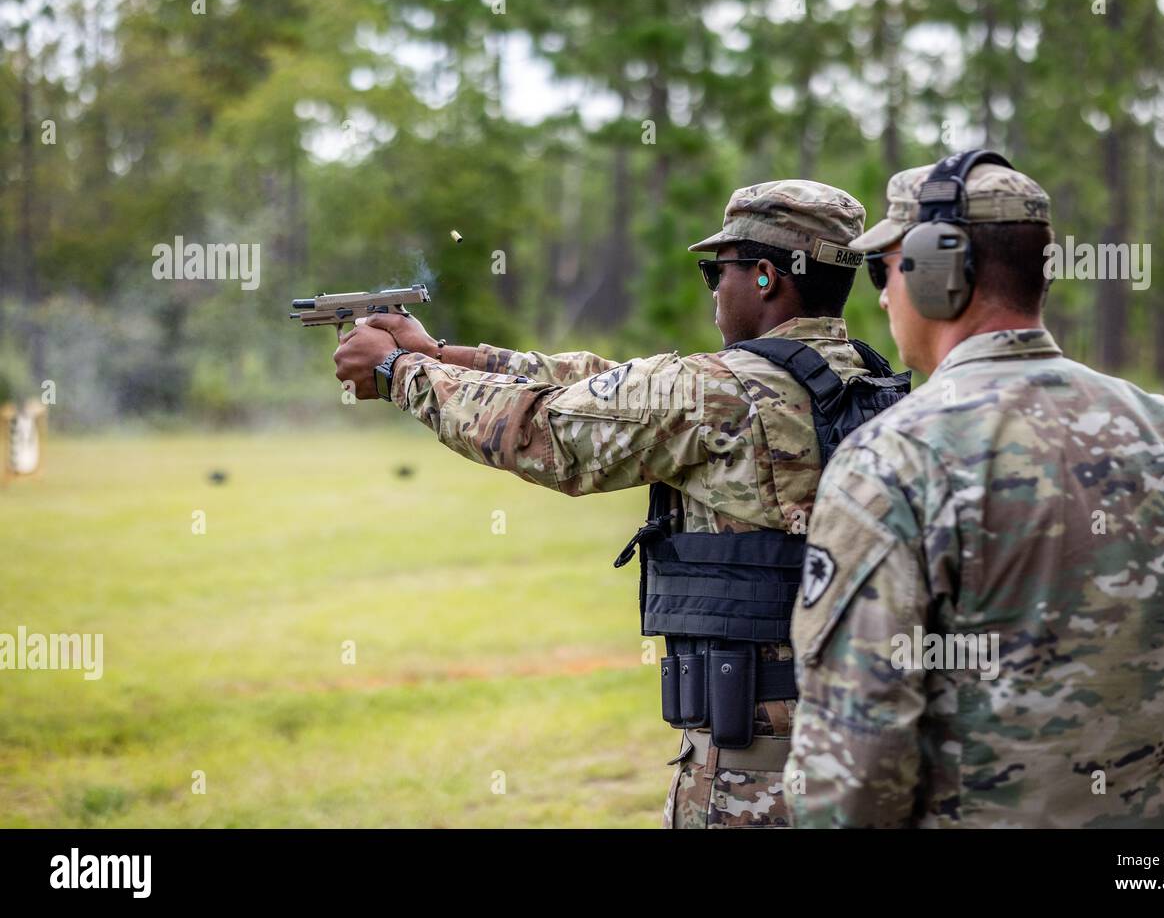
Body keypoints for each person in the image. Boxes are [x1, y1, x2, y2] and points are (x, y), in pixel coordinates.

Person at [331, 180, 910, 828]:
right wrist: (440, 355)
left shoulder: (710, 394)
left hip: (756, 772)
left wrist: (398, 374)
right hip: (864, 751)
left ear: (768, 277)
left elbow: (540, 430)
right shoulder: (870, 381)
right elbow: (605, 385)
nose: (714, 288)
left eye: (717, 270)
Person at [783, 149, 1164, 828]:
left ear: (940, 273)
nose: (881, 293)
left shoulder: (893, 459)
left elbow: (854, 765)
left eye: (887, 269)